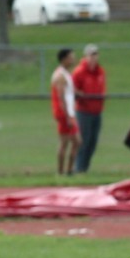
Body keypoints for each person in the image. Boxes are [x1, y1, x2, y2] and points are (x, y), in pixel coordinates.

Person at [72, 44, 107, 174]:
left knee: (93, 142)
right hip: (83, 111)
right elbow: (73, 88)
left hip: (97, 111)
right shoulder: (79, 72)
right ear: (86, 56)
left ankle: (85, 168)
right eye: (91, 55)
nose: (94, 57)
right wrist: (81, 95)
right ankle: (78, 168)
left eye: (95, 54)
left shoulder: (100, 71)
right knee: (84, 141)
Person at [51, 47, 82, 176]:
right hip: (64, 113)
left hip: (70, 112)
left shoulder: (66, 74)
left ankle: (69, 171)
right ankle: (61, 172)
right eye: (71, 57)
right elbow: (61, 97)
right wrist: (67, 116)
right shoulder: (60, 76)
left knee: (76, 142)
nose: (73, 60)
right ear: (64, 59)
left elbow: (69, 93)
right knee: (65, 142)